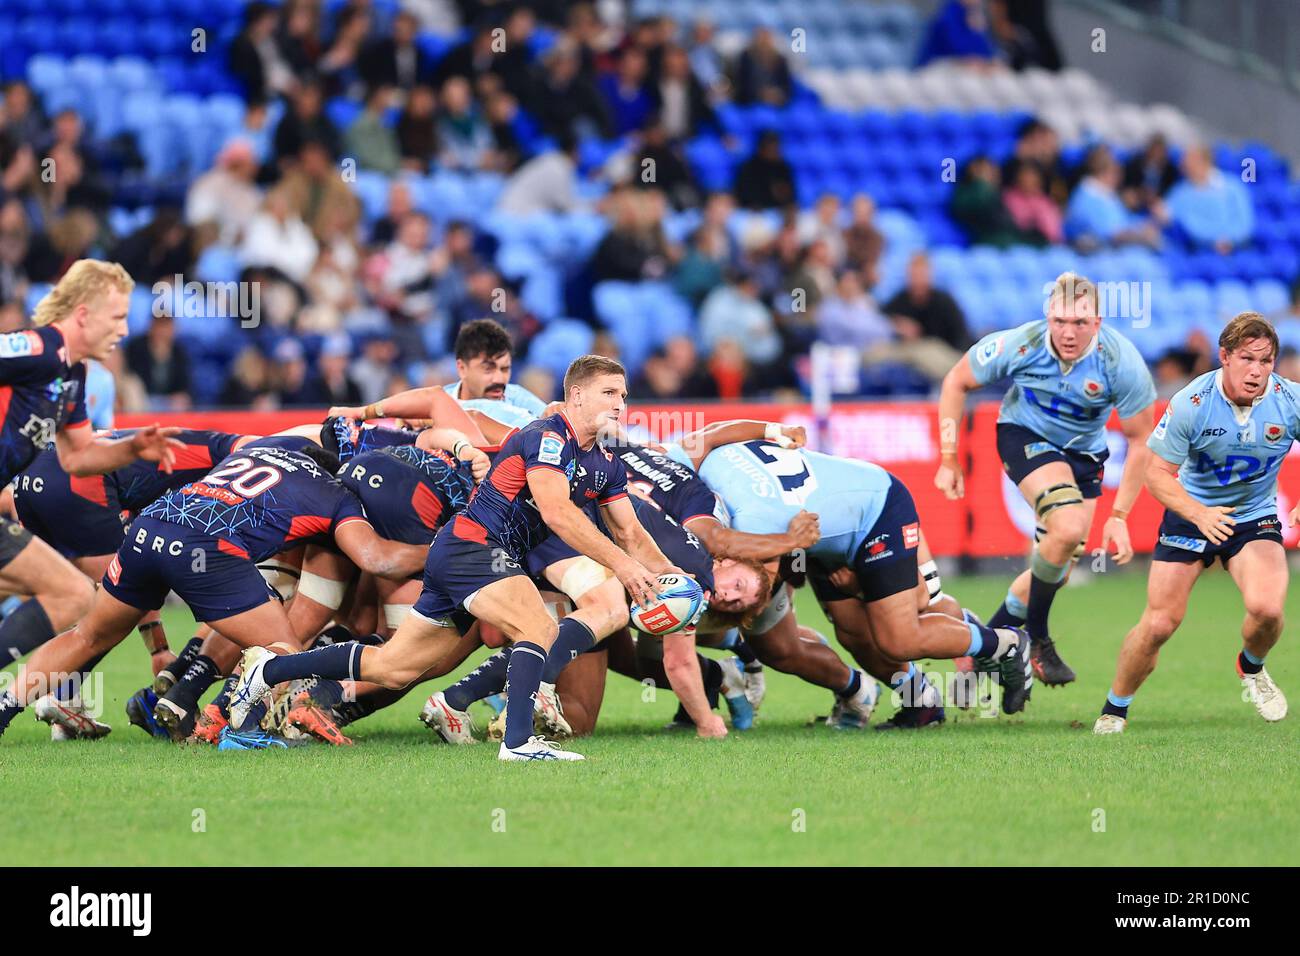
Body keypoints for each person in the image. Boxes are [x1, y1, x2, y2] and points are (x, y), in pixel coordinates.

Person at [228, 356, 677, 761]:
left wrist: (667, 574)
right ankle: (518, 744)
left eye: (623, 395)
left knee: (392, 667)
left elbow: (629, 531)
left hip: (471, 554)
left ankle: (266, 672)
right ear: (576, 395)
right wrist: (624, 567)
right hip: (474, 547)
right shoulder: (547, 437)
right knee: (539, 626)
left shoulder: (606, 463)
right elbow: (558, 513)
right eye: (609, 393)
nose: (620, 403)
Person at [0, 436, 437, 744]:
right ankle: (239, 733)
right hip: (208, 546)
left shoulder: (263, 449)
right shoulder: (340, 497)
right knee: (284, 652)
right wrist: (439, 548)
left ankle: (5, 707)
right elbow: (375, 559)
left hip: (150, 526)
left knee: (86, 637)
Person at [935, 272, 1157, 685]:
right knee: (1068, 527)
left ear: (1099, 322)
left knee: (1058, 562)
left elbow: (1141, 440)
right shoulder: (1022, 343)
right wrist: (949, 457)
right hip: (1024, 435)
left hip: (1085, 454)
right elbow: (956, 381)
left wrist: (1121, 514)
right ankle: (1037, 641)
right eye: (1059, 321)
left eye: (1080, 322)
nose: (1068, 332)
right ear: (1047, 316)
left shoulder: (1120, 362)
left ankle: (984, 645)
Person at [1096, 313, 1292, 734]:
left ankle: (1251, 667)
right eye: (1246, 359)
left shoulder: (1289, 400)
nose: (1257, 371)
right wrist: (1199, 514)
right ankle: (1115, 708)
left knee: (1268, 610)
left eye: (1266, 360)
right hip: (1191, 515)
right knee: (1160, 624)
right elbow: (1154, 473)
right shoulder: (1192, 403)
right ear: (1224, 357)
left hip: (1252, 517)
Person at [0, 260, 182, 679]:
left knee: (72, 593)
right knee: (69, 592)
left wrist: (132, 448)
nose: (124, 330)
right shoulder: (40, 349)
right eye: (117, 317)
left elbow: (78, 456)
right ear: (83, 314)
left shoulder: (73, 374)